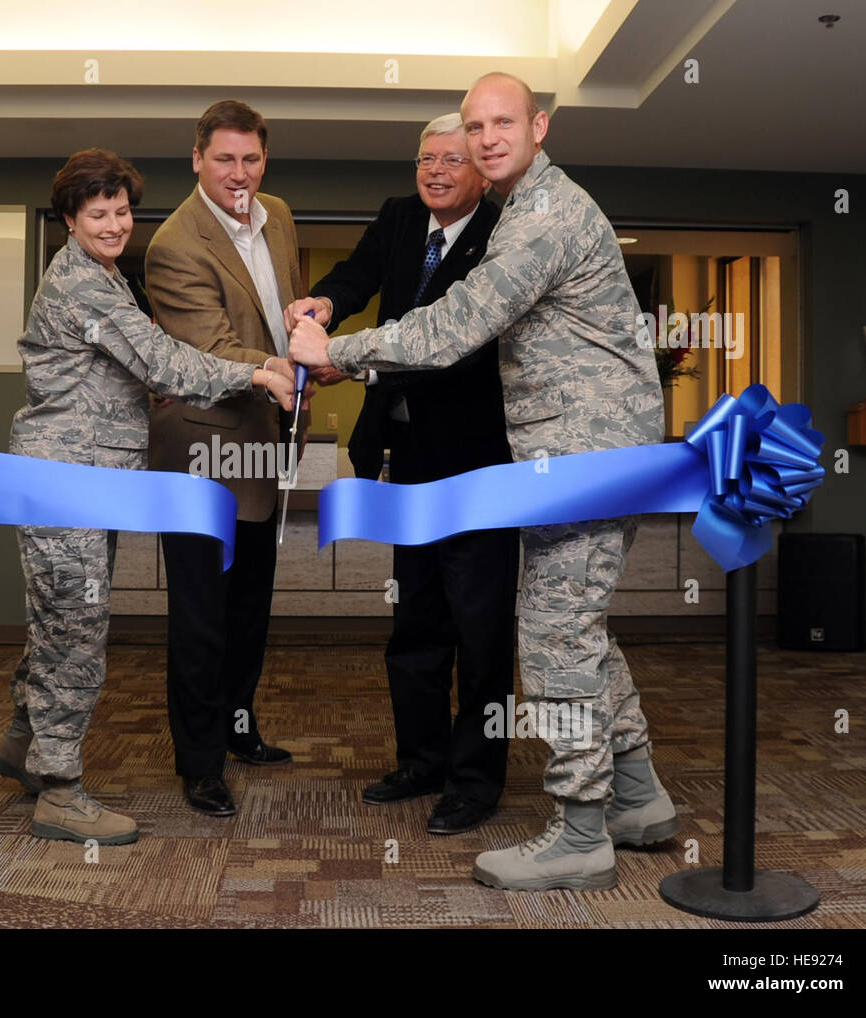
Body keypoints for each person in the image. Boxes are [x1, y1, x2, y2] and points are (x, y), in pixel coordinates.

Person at [289, 73, 678, 891]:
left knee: (552, 636)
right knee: (582, 629)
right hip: (574, 452)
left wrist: (338, 354)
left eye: (504, 122)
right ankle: (637, 800)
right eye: (475, 125)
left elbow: (460, 322)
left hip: (585, 454)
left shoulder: (541, 216)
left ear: (539, 126)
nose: (487, 137)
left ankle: (581, 832)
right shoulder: (527, 208)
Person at [0, 149, 295, 846]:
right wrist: (260, 373)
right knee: (77, 632)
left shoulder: (105, 275)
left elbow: (131, 370)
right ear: (70, 219)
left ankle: (21, 739)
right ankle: (60, 790)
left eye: (122, 210)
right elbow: (163, 361)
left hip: (88, 477)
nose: (115, 223)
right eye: (99, 213)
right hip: (71, 480)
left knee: (58, 619)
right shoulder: (84, 286)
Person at [284, 112, 517, 835]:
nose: (437, 172)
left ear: (480, 168)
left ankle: (475, 780)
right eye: (426, 159)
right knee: (415, 615)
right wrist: (325, 300)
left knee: (479, 627)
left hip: (478, 460)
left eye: (453, 159)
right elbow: (356, 275)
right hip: (406, 454)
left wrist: (348, 351)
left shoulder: (504, 234)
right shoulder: (399, 216)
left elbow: (460, 340)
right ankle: (421, 761)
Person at [145, 100, 305, 817]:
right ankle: (201, 764)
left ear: (263, 159)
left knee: (249, 611)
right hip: (203, 454)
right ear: (196, 159)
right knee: (203, 618)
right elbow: (207, 351)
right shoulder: (175, 243)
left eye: (250, 159)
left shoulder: (278, 214)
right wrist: (290, 365)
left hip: (262, 448)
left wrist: (308, 329)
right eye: (224, 159)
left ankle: (239, 727)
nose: (239, 174)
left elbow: (284, 309)